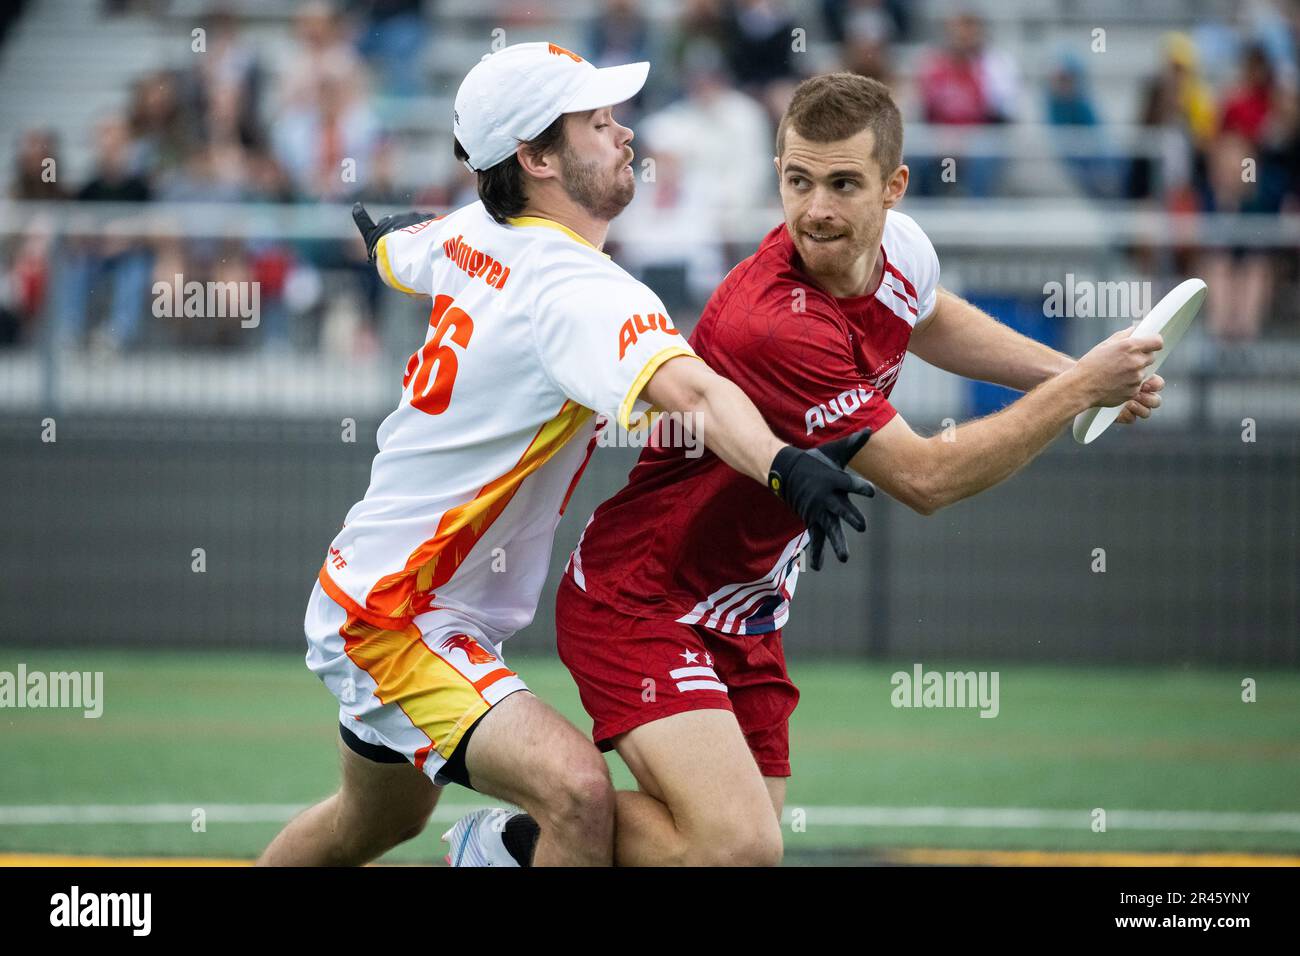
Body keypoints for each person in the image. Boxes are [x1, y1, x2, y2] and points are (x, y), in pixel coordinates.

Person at [448, 72, 1166, 866]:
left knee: (738, 853)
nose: (816, 209)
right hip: (646, 596)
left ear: (893, 188)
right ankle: (508, 846)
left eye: (843, 184)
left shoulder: (902, 252)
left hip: (748, 608)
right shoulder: (775, 324)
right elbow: (927, 480)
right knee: (735, 846)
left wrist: (1069, 370)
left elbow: (929, 314)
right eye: (797, 180)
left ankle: (526, 843)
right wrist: (1078, 390)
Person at [257, 44, 874, 868]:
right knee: (576, 793)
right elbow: (692, 392)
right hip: (396, 618)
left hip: (384, 593)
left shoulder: (474, 227)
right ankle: (494, 853)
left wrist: (379, 249)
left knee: (367, 826)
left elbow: (409, 248)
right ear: (537, 158)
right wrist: (784, 465)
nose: (624, 134)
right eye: (597, 122)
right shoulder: (577, 290)